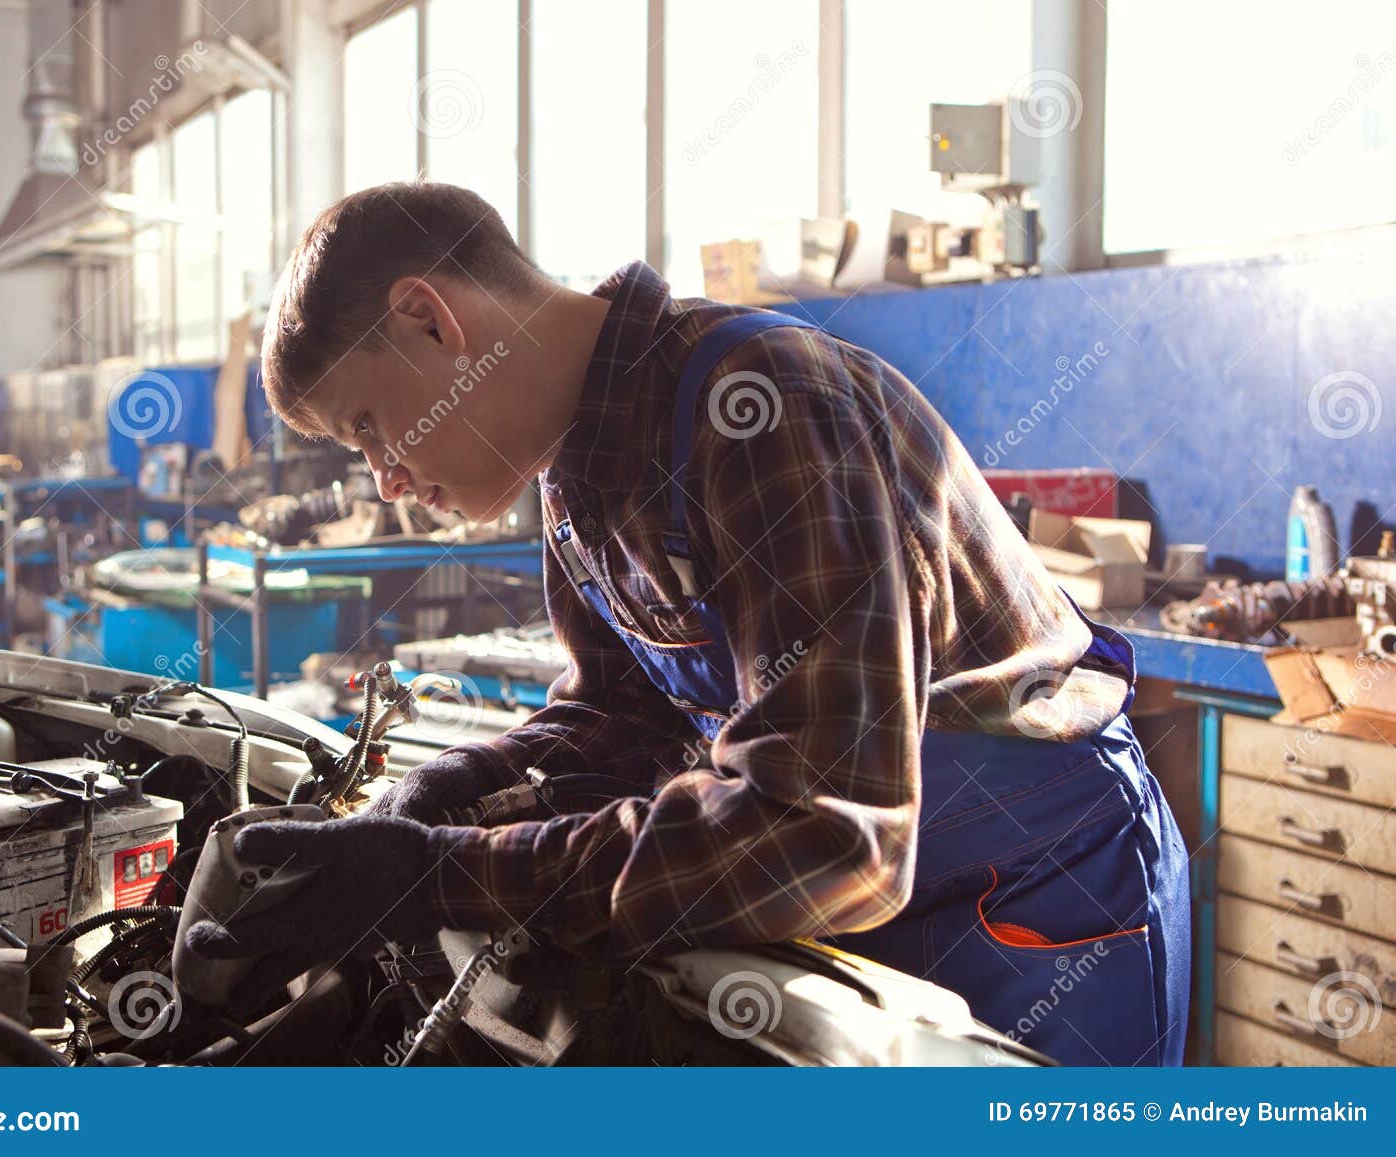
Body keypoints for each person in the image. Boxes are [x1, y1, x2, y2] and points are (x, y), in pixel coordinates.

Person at [183, 182, 1190, 1066]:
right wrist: (431, 798)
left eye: (368, 429)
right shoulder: (575, 470)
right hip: (873, 891)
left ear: (428, 321)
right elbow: (623, 720)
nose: (387, 481)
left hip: (1028, 890)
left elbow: (828, 834)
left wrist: (435, 877)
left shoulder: (762, 410)